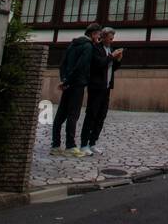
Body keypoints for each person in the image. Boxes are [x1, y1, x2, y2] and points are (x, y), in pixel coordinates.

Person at [50, 23, 101, 157]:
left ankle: (55, 145)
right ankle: (70, 146)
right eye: (98, 35)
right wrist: (69, 81)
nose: (99, 38)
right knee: (73, 114)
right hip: (77, 84)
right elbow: (81, 65)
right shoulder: (88, 46)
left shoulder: (73, 44)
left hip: (68, 83)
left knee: (61, 114)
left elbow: (63, 64)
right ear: (93, 34)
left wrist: (64, 80)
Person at [79, 26, 123, 155]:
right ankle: (83, 144)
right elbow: (98, 64)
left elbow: (111, 68)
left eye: (112, 38)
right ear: (103, 37)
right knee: (91, 115)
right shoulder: (96, 49)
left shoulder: (110, 49)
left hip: (107, 87)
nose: (111, 41)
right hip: (96, 87)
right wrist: (111, 57)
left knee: (101, 116)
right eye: (110, 38)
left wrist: (118, 60)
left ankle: (93, 142)